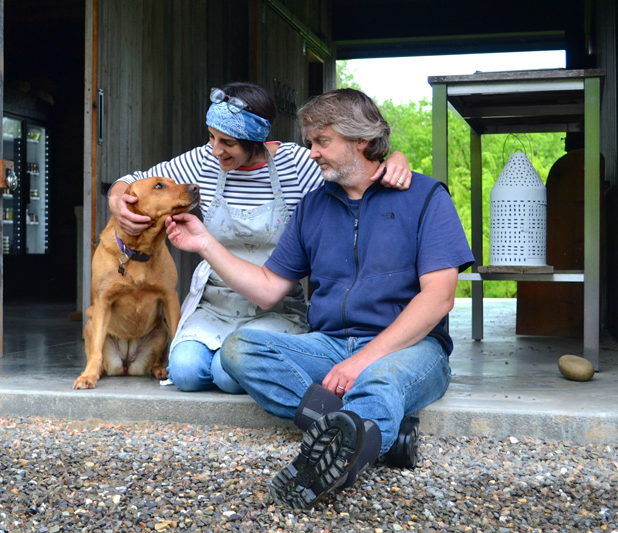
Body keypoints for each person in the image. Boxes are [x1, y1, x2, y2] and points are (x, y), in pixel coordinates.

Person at [165, 88, 474, 508]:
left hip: (411, 347)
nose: (311, 153)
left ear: (360, 140)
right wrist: (203, 243)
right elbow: (269, 288)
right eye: (310, 142)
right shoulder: (313, 206)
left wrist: (361, 360)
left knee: (380, 379)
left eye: (321, 142)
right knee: (240, 349)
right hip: (328, 344)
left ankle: (341, 459)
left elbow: (438, 299)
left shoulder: (425, 198)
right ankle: (372, 436)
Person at [108, 82, 412, 394]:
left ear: (255, 140)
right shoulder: (203, 162)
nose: (215, 149)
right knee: (184, 371)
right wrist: (118, 201)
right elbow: (131, 180)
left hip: (274, 303)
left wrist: (396, 158)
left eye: (226, 142)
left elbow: (354, 165)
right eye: (211, 137)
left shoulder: (297, 165)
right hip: (217, 303)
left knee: (227, 374)